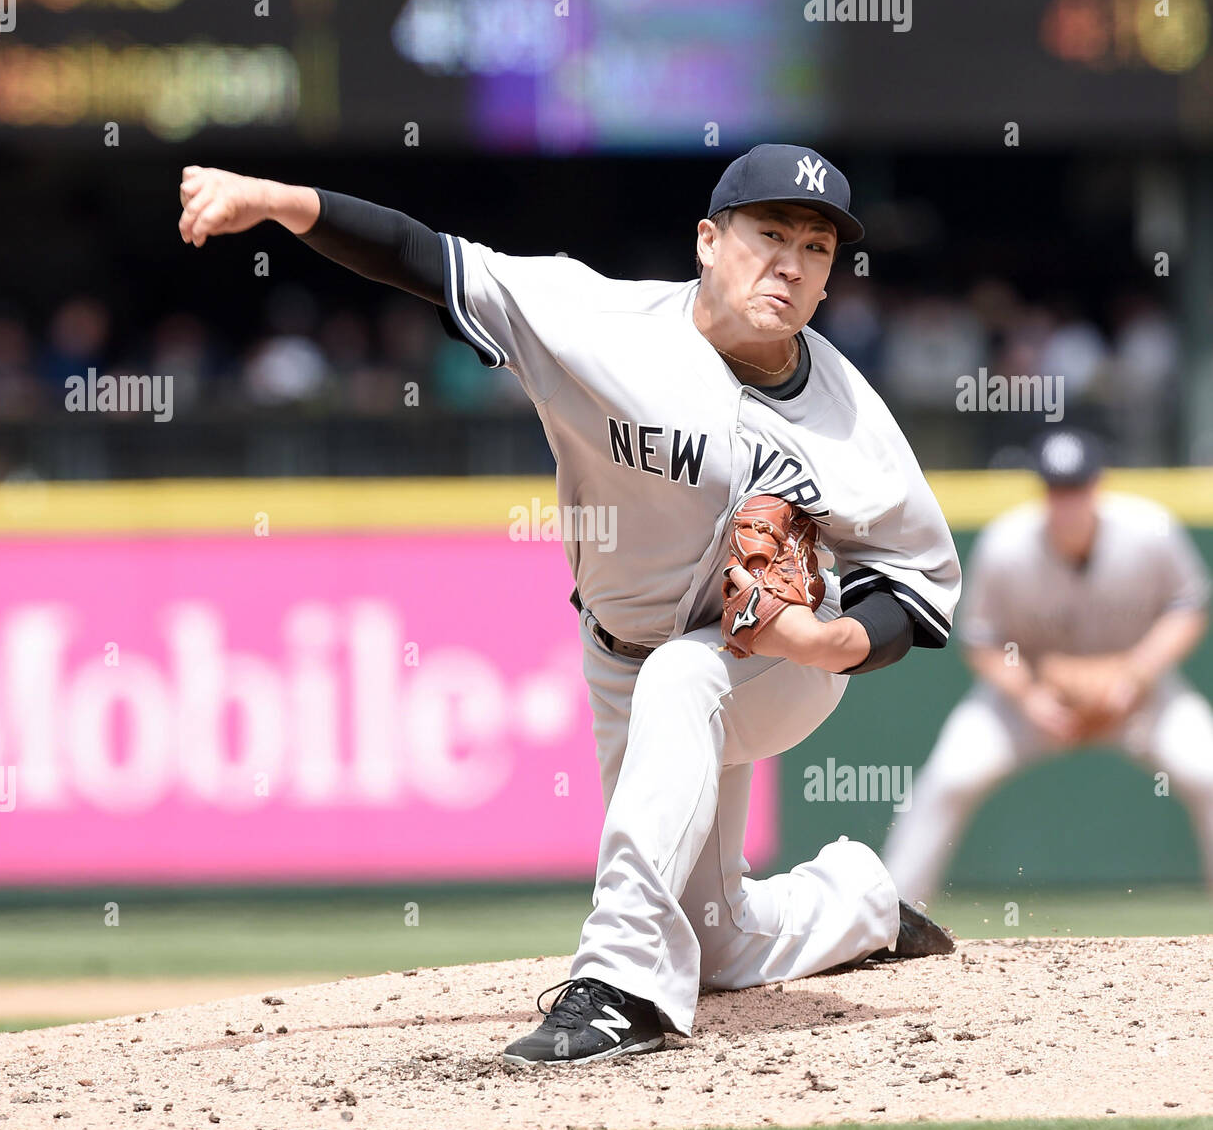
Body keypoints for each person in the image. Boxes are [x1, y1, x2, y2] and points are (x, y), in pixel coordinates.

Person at [177, 144, 961, 1066]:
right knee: (716, 938)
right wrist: (278, 199)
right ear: (709, 241)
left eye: (818, 248)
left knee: (684, 675)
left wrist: (836, 642)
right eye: (771, 233)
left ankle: (620, 988)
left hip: (768, 663)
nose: (791, 262)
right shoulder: (598, 322)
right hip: (618, 653)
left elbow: (918, 577)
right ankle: (859, 903)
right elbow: (424, 256)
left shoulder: (851, 417)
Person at [882, 429, 1213, 904]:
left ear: (1098, 486)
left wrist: (1137, 674)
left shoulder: (1149, 530)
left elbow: (1187, 609)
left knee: (1207, 770)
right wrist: (1029, 698)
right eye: (1057, 490)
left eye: (1076, 488)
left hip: (1142, 694)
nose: (1067, 502)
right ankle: (894, 917)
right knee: (950, 777)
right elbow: (981, 642)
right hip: (1030, 696)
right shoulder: (1006, 545)